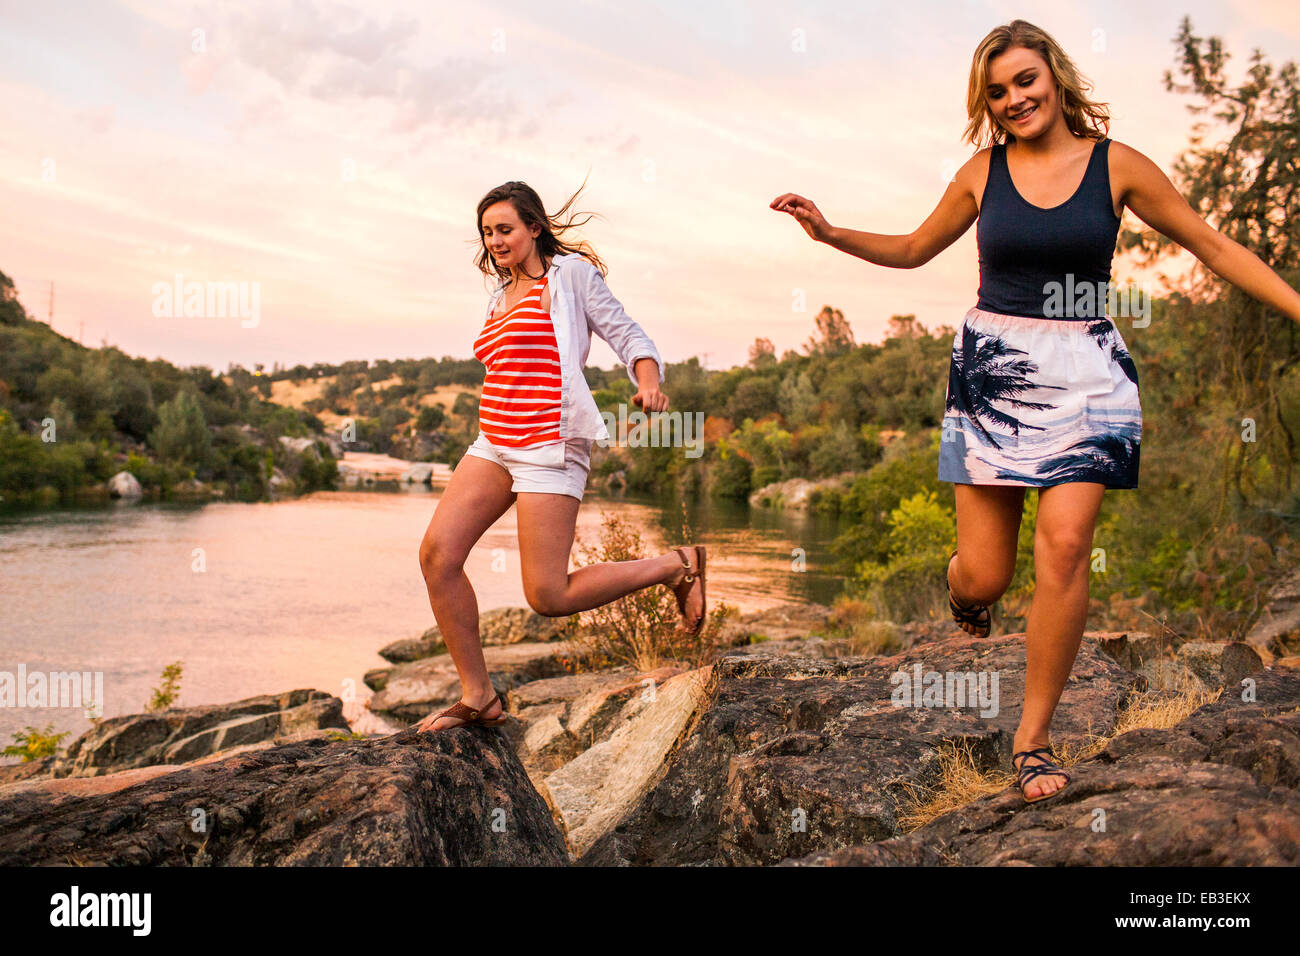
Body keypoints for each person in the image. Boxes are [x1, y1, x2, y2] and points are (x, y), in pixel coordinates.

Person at [770, 19, 1300, 802]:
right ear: (986, 103)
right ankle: (963, 594)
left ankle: (1034, 740)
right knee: (988, 574)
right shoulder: (981, 174)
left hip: (1087, 373)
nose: (1015, 98)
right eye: (998, 91)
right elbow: (917, 248)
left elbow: (1214, 248)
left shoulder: (1116, 164)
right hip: (994, 373)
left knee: (1065, 544)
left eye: (1025, 80)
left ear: (1054, 75)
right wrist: (831, 233)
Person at [415, 180, 707, 733]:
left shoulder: (569, 276)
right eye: (487, 232)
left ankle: (678, 565)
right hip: (494, 443)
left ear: (534, 227)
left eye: (505, 229)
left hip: (550, 445)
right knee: (437, 555)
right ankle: (479, 696)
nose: (495, 240)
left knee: (548, 595)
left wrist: (648, 383)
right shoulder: (497, 296)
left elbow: (627, 333)